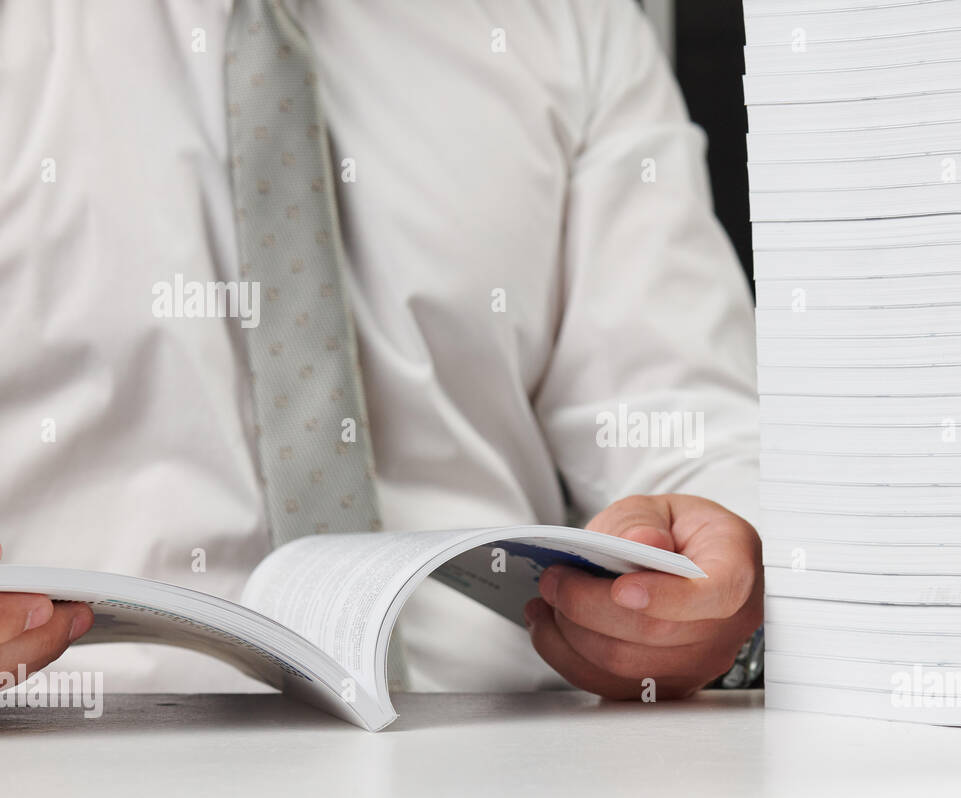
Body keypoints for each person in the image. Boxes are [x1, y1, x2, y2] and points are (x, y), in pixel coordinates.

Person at [0, 0, 762, 699]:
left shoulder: (569, 26)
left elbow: (687, 429)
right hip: (75, 752)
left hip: (513, 755)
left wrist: (710, 578)